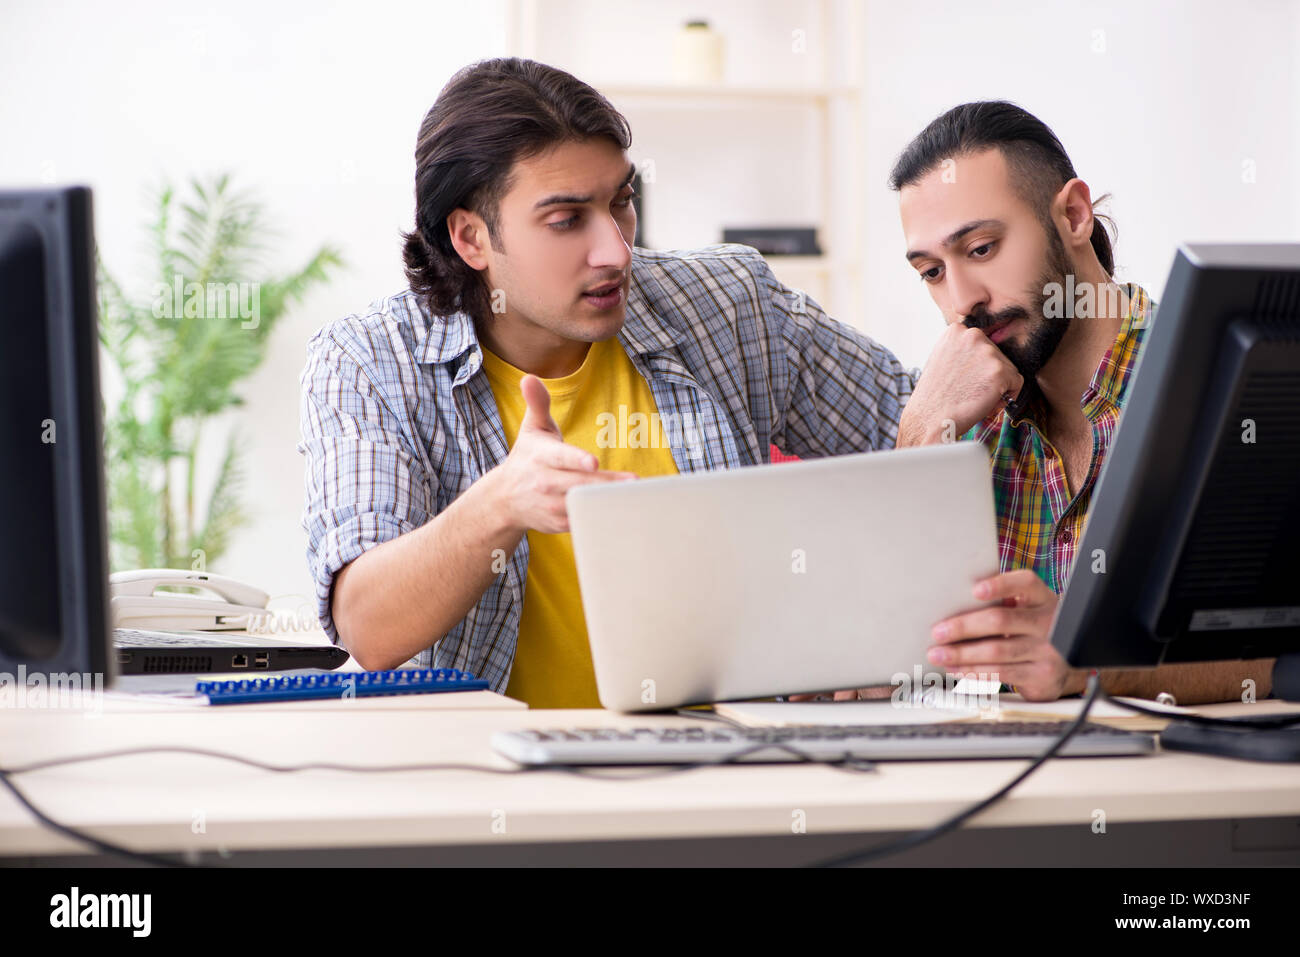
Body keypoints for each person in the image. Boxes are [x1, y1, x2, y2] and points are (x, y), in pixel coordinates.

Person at [298, 58, 916, 708]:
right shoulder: (368, 361)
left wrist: (870, 626)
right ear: (471, 237)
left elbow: (924, 438)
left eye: (620, 202)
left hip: (739, 776)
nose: (617, 250)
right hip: (495, 785)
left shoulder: (728, 304)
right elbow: (367, 627)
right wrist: (502, 503)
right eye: (567, 219)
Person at [888, 101, 1274, 704]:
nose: (960, 301)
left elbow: (1276, 656)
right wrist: (919, 429)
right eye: (932, 271)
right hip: (1001, 784)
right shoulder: (961, 420)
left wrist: (1086, 663)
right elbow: (900, 639)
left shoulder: (1222, 386)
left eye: (982, 249)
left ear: (1073, 214)